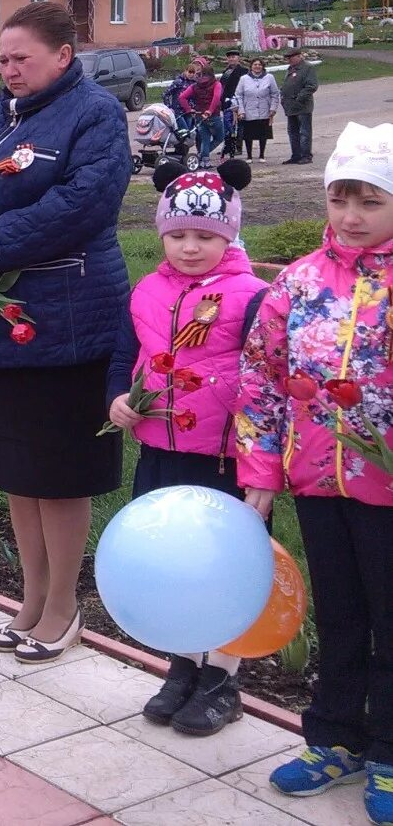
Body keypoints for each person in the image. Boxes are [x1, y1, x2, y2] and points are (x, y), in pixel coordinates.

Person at [0, 0, 131, 658]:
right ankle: (32, 596)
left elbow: (78, 205)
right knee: (16, 469)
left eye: (22, 59)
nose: (7, 69)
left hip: (63, 323)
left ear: (63, 57)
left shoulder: (94, 115)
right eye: (2, 58)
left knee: (58, 471)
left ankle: (65, 606)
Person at [241, 122, 393, 817]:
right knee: (338, 613)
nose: (352, 217)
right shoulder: (297, 284)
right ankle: (334, 734)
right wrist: (262, 472)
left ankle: (389, 749)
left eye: (371, 201)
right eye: (341, 199)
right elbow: (263, 379)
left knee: (391, 617)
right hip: (316, 481)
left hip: (385, 488)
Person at [107, 159, 266, 734]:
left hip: (225, 460)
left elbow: (265, 380)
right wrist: (117, 399)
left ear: (229, 233)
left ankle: (223, 677)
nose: (190, 247)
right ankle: (182, 665)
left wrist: (260, 463)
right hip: (161, 453)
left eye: (206, 236)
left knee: (224, 568)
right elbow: (126, 357)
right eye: (177, 235)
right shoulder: (148, 291)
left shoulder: (252, 296)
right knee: (173, 561)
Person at [235, 58, 281, 163]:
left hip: (264, 110)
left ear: (262, 66)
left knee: (262, 134)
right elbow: (238, 95)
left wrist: (273, 108)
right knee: (248, 135)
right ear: (251, 66)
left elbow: (275, 94)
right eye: (255, 64)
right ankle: (249, 156)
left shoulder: (269, 77)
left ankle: (262, 155)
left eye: (259, 64)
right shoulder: (244, 79)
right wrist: (241, 110)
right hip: (248, 111)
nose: (257, 66)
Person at [179, 64, 225, 166]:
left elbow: (182, 97)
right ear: (212, 74)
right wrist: (210, 111)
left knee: (205, 138)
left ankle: (205, 161)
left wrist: (189, 110)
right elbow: (216, 98)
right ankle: (201, 155)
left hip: (199, 115)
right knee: (220, 137)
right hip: (213, 115)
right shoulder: (216, 84)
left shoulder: (194, 86)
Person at [282, 47, 317, 165]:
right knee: (293, 132)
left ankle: (306, 155)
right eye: (288, 58)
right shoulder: (290, 69)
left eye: (291, 57)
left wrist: (299, 98)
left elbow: (311, 86)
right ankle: (296, 155)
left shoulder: (307, 67)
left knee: (304, 132)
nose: (289, 60)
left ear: (299, 56)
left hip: (302, 106)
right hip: (290, 106)